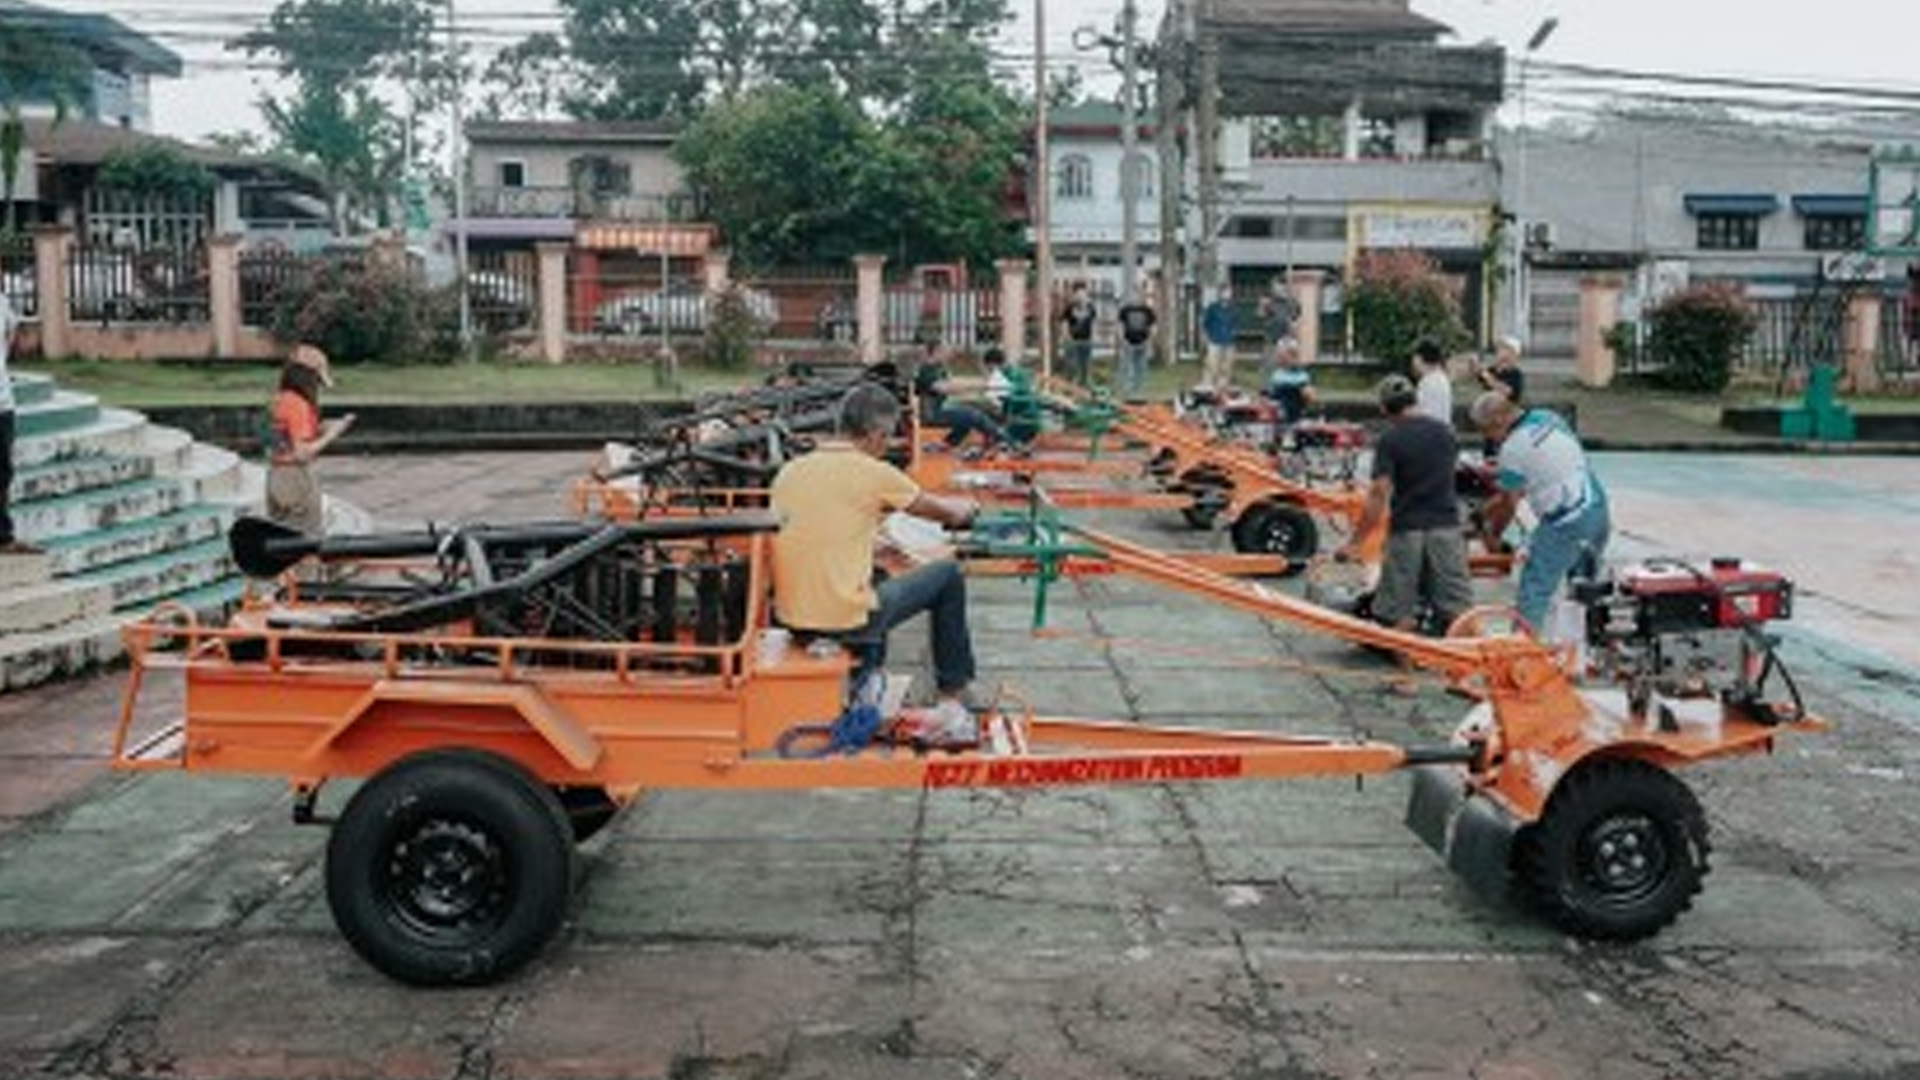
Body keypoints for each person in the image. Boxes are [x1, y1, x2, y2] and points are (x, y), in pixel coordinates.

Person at [770, 383, 984, 747]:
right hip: (844, 619)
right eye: (887, 438)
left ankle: (869, 676)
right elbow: (945, 512)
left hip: (791, 618)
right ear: (873, 435)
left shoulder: (791, 471)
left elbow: (821, 528)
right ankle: (952, 698)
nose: (888, 446)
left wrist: (872, 547)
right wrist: (970, 510)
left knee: (880, 574)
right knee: (947, 577)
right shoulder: (873, 472)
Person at [1336, 375, 1474, 640]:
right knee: (1457, 607)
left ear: (1385, 409)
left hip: (1407, 529)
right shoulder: (1446, 433)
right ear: (1415, 401)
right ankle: (1464, 673)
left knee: (1399, 607)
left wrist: (1356, 542)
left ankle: (1405, 678)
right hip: (1445, 526)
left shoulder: (1391, 440)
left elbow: (1379, 494)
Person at [1470, 391, 1611, 633]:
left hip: (1566, 521)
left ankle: (1520, 655)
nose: (1489, 438)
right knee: (1582, 588)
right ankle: (1584, 646)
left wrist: (1492, 534)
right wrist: (1502, 475)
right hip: (1595, 507)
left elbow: (1509, 503)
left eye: (1487, 431)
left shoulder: (1512, 450)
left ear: (1499, 421)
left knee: (1534, 588)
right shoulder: (1548, 418)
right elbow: (1545, 464)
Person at [266, 344, 355, 536]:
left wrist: (322, 427)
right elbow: (301, 452)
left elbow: (286, 438)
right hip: (296, 478)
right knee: (305, 543)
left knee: (282, 546)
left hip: (275, 477)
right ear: (307, 377)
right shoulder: (298, 405)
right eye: (317, 380)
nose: (317, 387)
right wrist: (333, 433)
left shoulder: (280, 400)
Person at [912, 341, 1008, 455]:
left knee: (968, 414)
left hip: (937, 410)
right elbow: (944, 388)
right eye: (946, 351)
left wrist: (982, 386)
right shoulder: (927, 370)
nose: (950, 353)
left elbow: (954, 383)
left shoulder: (939, 368)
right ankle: (1002, 440)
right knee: (971, 415)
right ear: (937, 351)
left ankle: (946, 444)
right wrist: (981, 385)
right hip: (931, 414)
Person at [0, 289, 31, 555]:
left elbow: (13, 337)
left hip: (3, 404)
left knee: (3, 472)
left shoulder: (2, 303)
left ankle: (4, 536)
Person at [1114, 287, 1157, 401]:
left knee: (1141, 368)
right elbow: (1119, 326)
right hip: (1128, 343)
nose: (1135, 297)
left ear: (1141, 296)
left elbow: (1153, 327)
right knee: (1129, 368)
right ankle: (1128, 392)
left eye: (1138, 295)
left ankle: (1139, 391)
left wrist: (1150, 341)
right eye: (1133, 295)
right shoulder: (1125, 310)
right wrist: (1122, 339)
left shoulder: (1147, 310)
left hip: (1143, 343)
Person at [1263, 337, 1315, 427]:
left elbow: (1309, 395)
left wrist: (1307, 395)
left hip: (1292, 412)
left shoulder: (1300, 375)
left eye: (1281, 356)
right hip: (1277, 411)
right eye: (1278, 356)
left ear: (1292, 357)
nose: (1278, 358)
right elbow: (1272, 393)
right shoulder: (1277, 373)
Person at [1200, 285, 1238, 390]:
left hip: (1228, 342)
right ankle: (1208, 387)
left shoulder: (1233, 309)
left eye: (1229, 292)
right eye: (1225, 292)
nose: (1227, 295)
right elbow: (1205, 323)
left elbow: (1235, 324)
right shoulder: (1213, 308)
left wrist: (1233, 334)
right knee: (1212, 366)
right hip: (1214, 340)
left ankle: (1222, 388)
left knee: (1226, 368)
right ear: (1220, 293)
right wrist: (1207, 338)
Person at [1060, 285, 1097, 386]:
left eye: (1083, 293)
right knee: (1073, 367)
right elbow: (1064, 323)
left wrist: (1093, 337)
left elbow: (1093, 323)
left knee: (1086, 366)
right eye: (1078, 294)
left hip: (1086, 341)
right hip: (1073, 341)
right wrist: (1067, 337)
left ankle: (1084, 386)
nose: (1081, 296)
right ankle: (1071, 386)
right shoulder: (1069, 308)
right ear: (1075, 295)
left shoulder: (1090, 307)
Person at [1474, 335, 1526, 405]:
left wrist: (1485, 375)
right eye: (1500, 350)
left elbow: (1505, 391)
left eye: (1509, 352)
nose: (1503, 354)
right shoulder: (1490, 370)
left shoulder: (1515, 374)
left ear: (1515, 357)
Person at [1257, 278, 1300, 351]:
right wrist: (1261, 305)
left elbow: (1295, 319)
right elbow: (1261, 316)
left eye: (1280, 286)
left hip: (1286, 337)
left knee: (1287, 357)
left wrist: (1292, 332)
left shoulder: (1291, 302)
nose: (1277, 289)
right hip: (1272, 336)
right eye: (1275, 287)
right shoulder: (1270, 301)